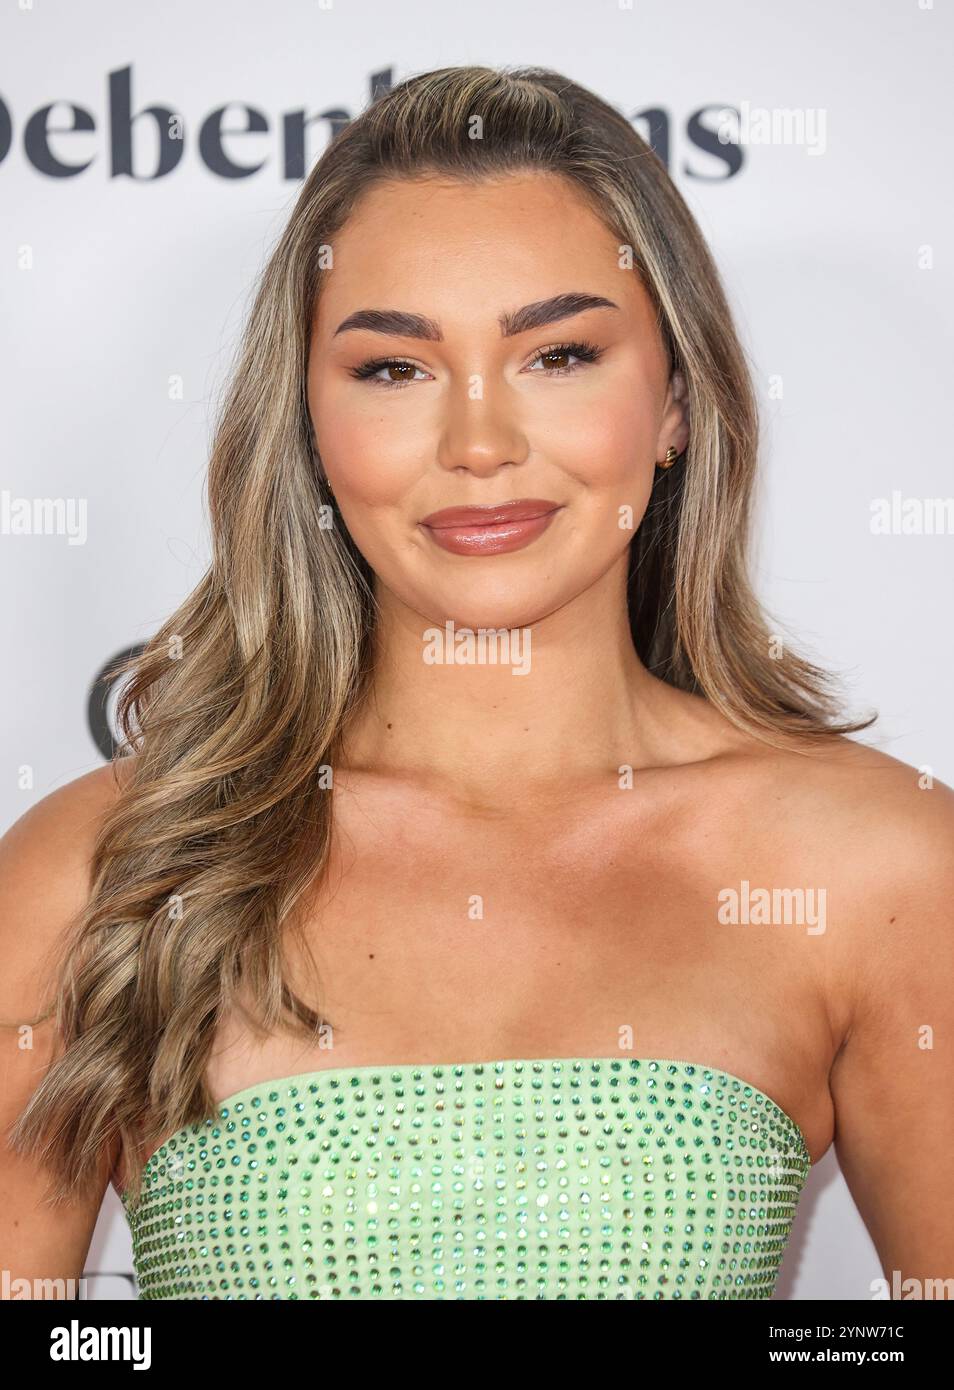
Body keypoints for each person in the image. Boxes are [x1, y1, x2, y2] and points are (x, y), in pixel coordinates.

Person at [2, 65, 952, 1301]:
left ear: (673, 400)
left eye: (558, 354)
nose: (480, 444)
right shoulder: (100, 868)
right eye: (393, 368)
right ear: (304, 422)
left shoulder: (873, 865)